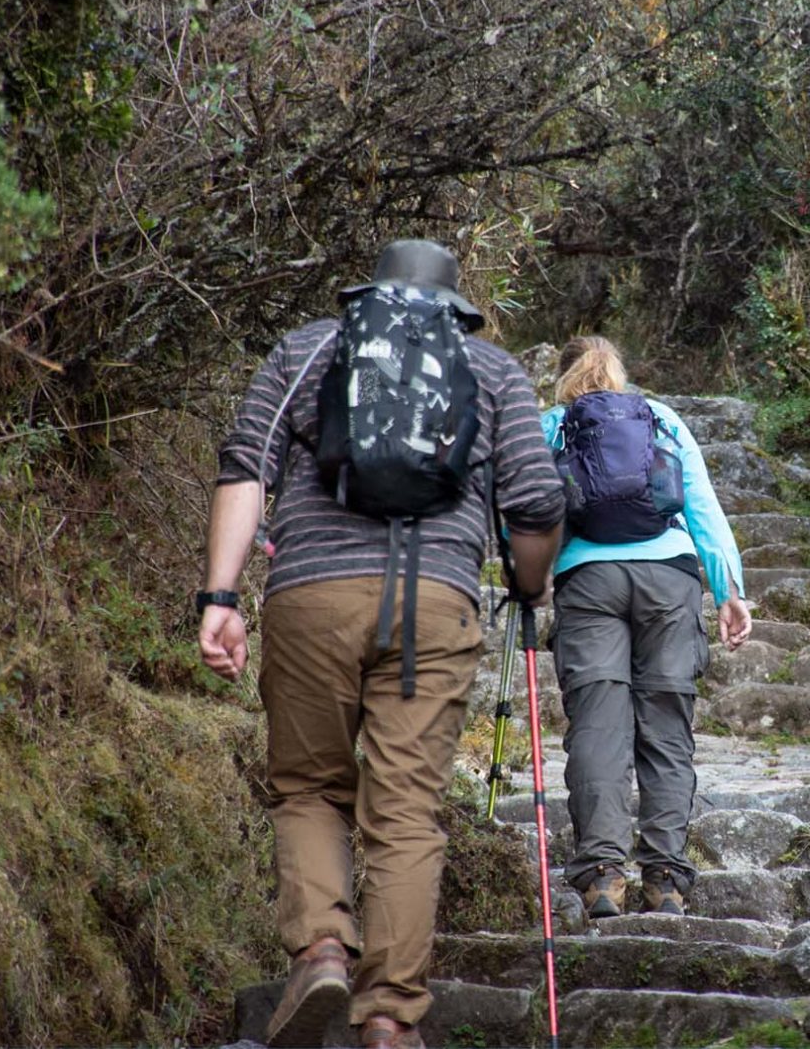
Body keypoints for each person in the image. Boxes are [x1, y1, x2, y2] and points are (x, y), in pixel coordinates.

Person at [197, 240, 563, 1049]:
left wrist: (221, 597)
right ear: (455, 306)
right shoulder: (493, 370)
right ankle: (391, 1017)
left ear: (369, 294)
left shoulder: (309, 349)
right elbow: (537, 504)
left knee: (308, 788)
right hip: (434, 603)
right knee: (406, 811)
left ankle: (323, 949)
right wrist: (530, 591)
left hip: (312, 594)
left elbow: (244, 468)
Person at [541, 335, 751, 918]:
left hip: (589, 580)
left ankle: (603, 877)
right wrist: (729, 592)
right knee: (666, 724)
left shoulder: (552, 426)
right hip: (671, 582)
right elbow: (701, 506)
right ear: (621, 376)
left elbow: (526, 512)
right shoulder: (661, 419)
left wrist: (527, 578)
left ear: (564, 377)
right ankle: (664, 879)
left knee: (599, 729)